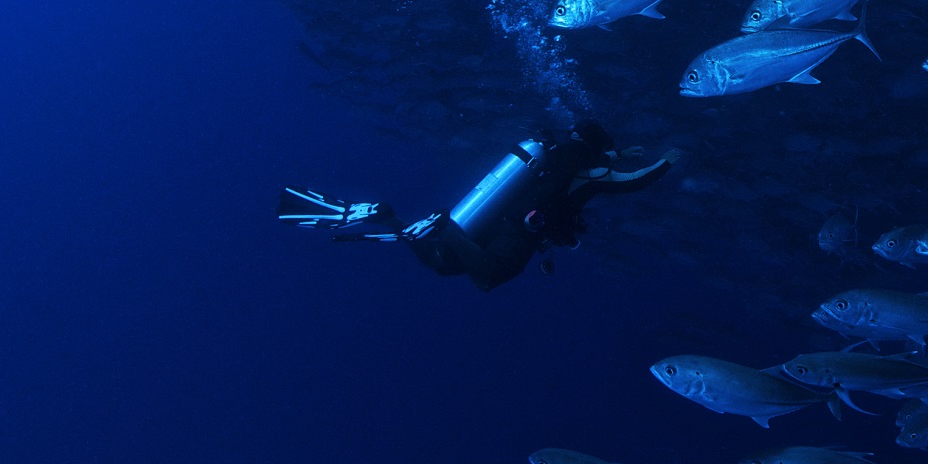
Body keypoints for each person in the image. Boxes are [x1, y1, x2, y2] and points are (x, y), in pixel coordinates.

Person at [280, 120, 672, 291]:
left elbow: (581, 169)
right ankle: (430, 226)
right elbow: (635, 180)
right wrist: (671, 159)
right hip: (514, 235)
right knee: (485, 277)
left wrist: (617, 152)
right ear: (598, 149)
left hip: (495, 221)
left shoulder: (557, 156)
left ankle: (392, 218)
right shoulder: (592, 172)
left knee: (441, 262)